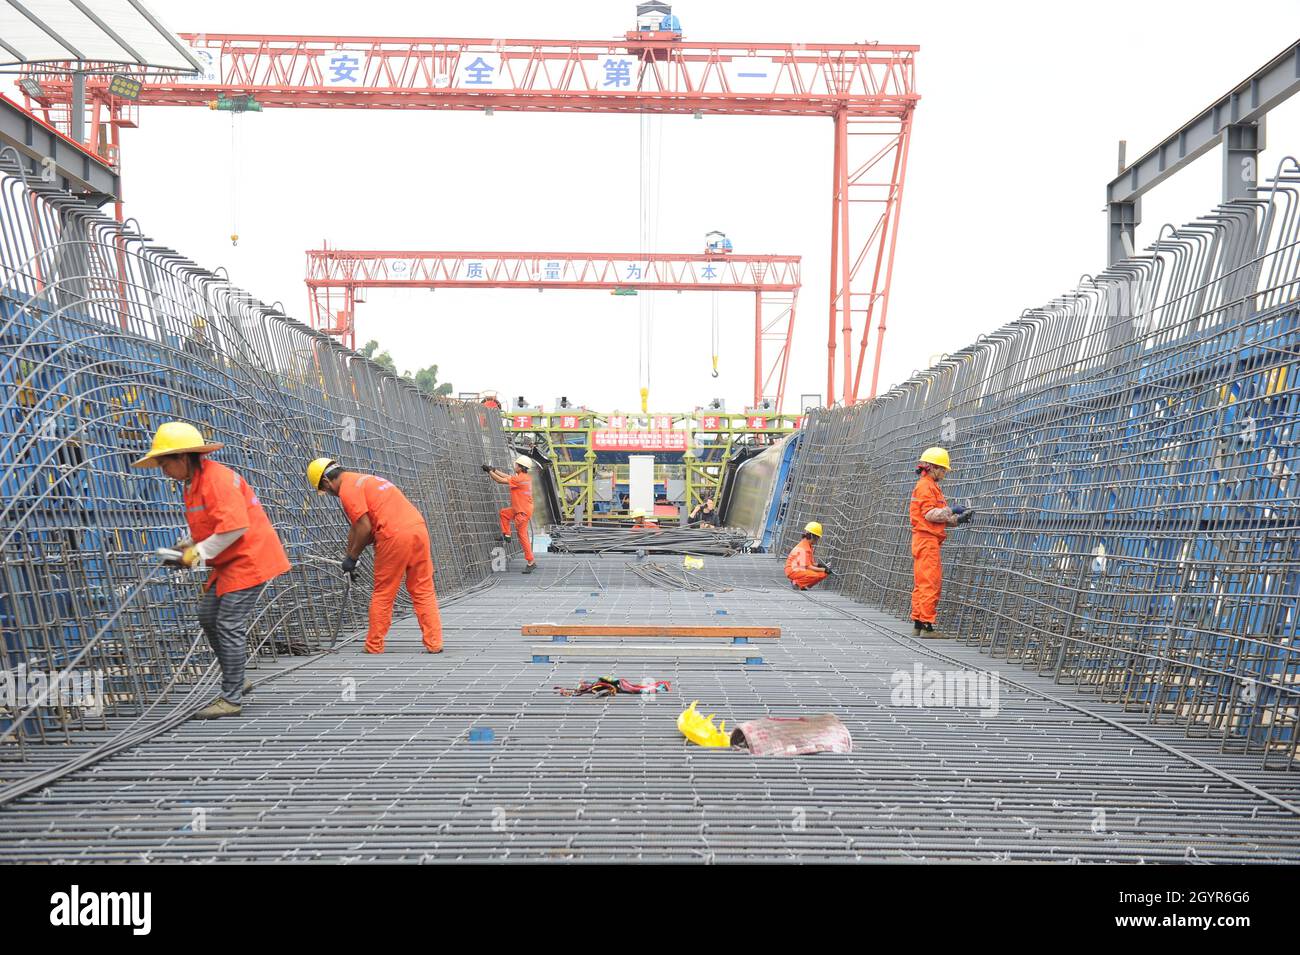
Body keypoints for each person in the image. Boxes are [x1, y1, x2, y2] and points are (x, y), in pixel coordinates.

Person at [132, 421, 290, 719]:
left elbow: (234, 528)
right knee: (208, 616)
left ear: (182, 457)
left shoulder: (217, 479)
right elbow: (207, 526)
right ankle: (236, 677)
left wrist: (194, 555)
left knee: (229, 624)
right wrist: (184, 547)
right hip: (229, 563)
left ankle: (231, 697)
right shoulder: (193, 484)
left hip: (249, 559)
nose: (163, 471)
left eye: (165, 464)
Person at [307, 457, 443, 654]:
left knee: (383, 592)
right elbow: (357, 527)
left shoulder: (347, 490)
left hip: (393, 535)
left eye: (325, 491)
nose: (330, 494)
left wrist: (352, 558)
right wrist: (349, 556)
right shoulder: (364, 479)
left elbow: (364, 528)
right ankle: (434, 643)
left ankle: (374, 645)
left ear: (327, 483)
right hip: (418, 530)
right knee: (423, 589)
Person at [909, 446, 974, 637]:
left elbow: (936, 516)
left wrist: (957, 520)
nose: (945, 473)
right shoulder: (926, 487)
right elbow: (931, 514)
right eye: (943, 469)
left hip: (924, 539)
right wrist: (952, 510)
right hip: (927, 540)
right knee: (931, 582)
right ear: (933, 467)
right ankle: (928, 626)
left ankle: (919, 623)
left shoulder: (929, 486)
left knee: (922, 583)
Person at [483, 456, 536, 574]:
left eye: (516, 465)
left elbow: (500, 480)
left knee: (522, 536)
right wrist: (494, 470)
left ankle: (531, 561)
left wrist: (489, 472)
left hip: (521, 512)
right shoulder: (523, 477)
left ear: (521, 467)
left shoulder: (520, 479)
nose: (514, 466)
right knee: (504, 513)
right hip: (520, 508)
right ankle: (506, 535)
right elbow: (508, 477)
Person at [785, 521, 830, 590]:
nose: (817, 540)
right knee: (815, 575)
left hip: (800, 568)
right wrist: (824, 569)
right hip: (792, 570)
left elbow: (811, 563)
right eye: (817, 537)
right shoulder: (804, 548)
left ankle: (803, 584)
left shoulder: (809, 546)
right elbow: (809, 567)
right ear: (812, 536)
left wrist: (820, 565)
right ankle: (797, 583)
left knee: (823, 574)